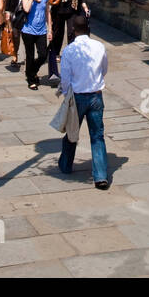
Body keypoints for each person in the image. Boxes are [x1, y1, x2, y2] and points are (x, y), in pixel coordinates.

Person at [58, 14, 110, 189]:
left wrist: (66, 95)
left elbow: (65, 78)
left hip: (78, 97)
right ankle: (101, 176)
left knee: (72, 132)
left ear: (73, 30)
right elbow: (104, 69)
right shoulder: (99, 46)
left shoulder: (69, 50)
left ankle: (65, 165)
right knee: (97, 136)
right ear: (88, 29)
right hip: (96, 96)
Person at [47, 0, 89, 85]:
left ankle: (72, 61)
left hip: (72, 10)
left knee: (72, 34)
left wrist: (84, 6)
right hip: (58, 11)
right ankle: (54, 66)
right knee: (57, 36)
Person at [18, 0, 50, 90]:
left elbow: (47, 12)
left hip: (42, 30)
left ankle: (31, 71)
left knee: (43, 55)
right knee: (30, 55)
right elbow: (26, 9)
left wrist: (50, 29)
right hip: (28, 30)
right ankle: (31, 79)